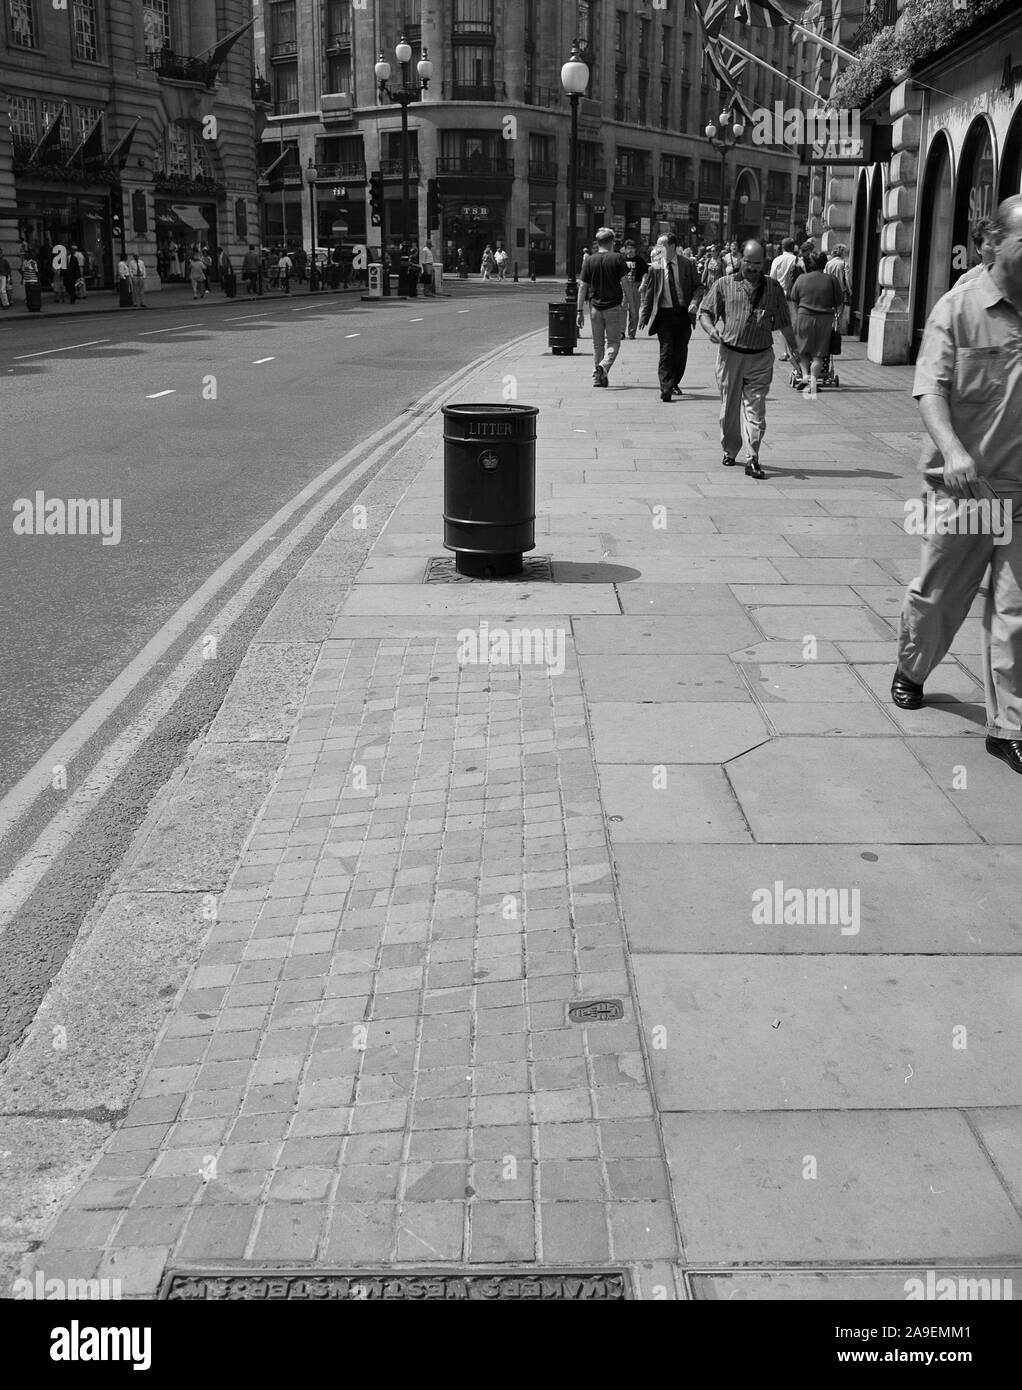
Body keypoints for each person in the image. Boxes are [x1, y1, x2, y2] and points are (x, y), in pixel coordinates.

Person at [892, 194, 1022, 775]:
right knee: (940, 598)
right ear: (994, 240)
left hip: (1021, 495)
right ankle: (912, 669)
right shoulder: (958, 307)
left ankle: (1009, 727)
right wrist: (952, 449)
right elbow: (930, 389)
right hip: (966, 491)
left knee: (1016, 609)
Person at [698, 238, 803, 479]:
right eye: (748, 262)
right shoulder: (725, 284)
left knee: (756, 409)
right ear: (740, 260)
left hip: (760, 356)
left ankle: (752, 456)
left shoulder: (773, 287)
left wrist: (795, 348)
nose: (753, 268)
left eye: (757, 263)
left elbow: (785, 322)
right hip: (731, 355)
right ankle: (730, 448)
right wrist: (711, 329)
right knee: (729, 408)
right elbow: (705, 312)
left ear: (764, 262)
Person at [637, 233, 701, 402]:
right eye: (657, 246)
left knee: (681, 351)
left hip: (683, 313)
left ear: (672, 246)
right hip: (664, 314)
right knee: (666, 351)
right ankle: (666, 387)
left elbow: (698, 287)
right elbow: (650, 293)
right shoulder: (655, 267)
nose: (658, 249)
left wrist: (694, 302)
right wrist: (644, 316)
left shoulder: (687, 264)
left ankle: (674, 381)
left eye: (661, 245)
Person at [576, 226, 631, 388]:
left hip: (594, 308)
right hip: (613, 307)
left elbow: (582, 287)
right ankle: (603, 366)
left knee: (597, 344)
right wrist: (633, 306)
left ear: (597, 242)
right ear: (612, 242)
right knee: (614, 343)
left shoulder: (589, 260)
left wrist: (579, 311)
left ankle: (598, 378)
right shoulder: (618, 258)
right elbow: (626, 283)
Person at [790, 251, 842, 391]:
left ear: (810, 264)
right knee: (818, 354)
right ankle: (812, 382)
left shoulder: (801, 278)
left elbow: (793, 298)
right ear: (824, 263)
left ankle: (805, 375)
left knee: (802, 350)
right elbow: (839, 301)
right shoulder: (831, 280)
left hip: (804, 317)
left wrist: (797, 314)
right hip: (824, 320)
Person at [620, 239, 648, 339]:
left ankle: (632, 332)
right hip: (623, 287)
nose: (630, 251)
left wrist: (642, 285)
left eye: (632, 248)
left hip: (636, 286)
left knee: (634, 310)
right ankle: (621, 332)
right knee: (622, 309)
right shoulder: (621, 259)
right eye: (628, 248)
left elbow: (645, 274)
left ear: (635, 249)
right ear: (625, 249)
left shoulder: (640, 261)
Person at [824, 243, 852, 332]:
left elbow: (825, 276)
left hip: (830, 290)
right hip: (841, 291)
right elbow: (847, 279)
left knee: (831, 311)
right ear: (842, 252)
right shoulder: (844, 263)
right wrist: (850, 290)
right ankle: (836, 331)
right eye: (845, 252)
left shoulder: (828, 264)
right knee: (839, 313)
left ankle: (830, 329)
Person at [52, 238, 69, 303]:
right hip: (58, 276)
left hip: (59, 276)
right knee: (59, 288)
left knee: (59, 288)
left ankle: (60, 298)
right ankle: (60, 298)